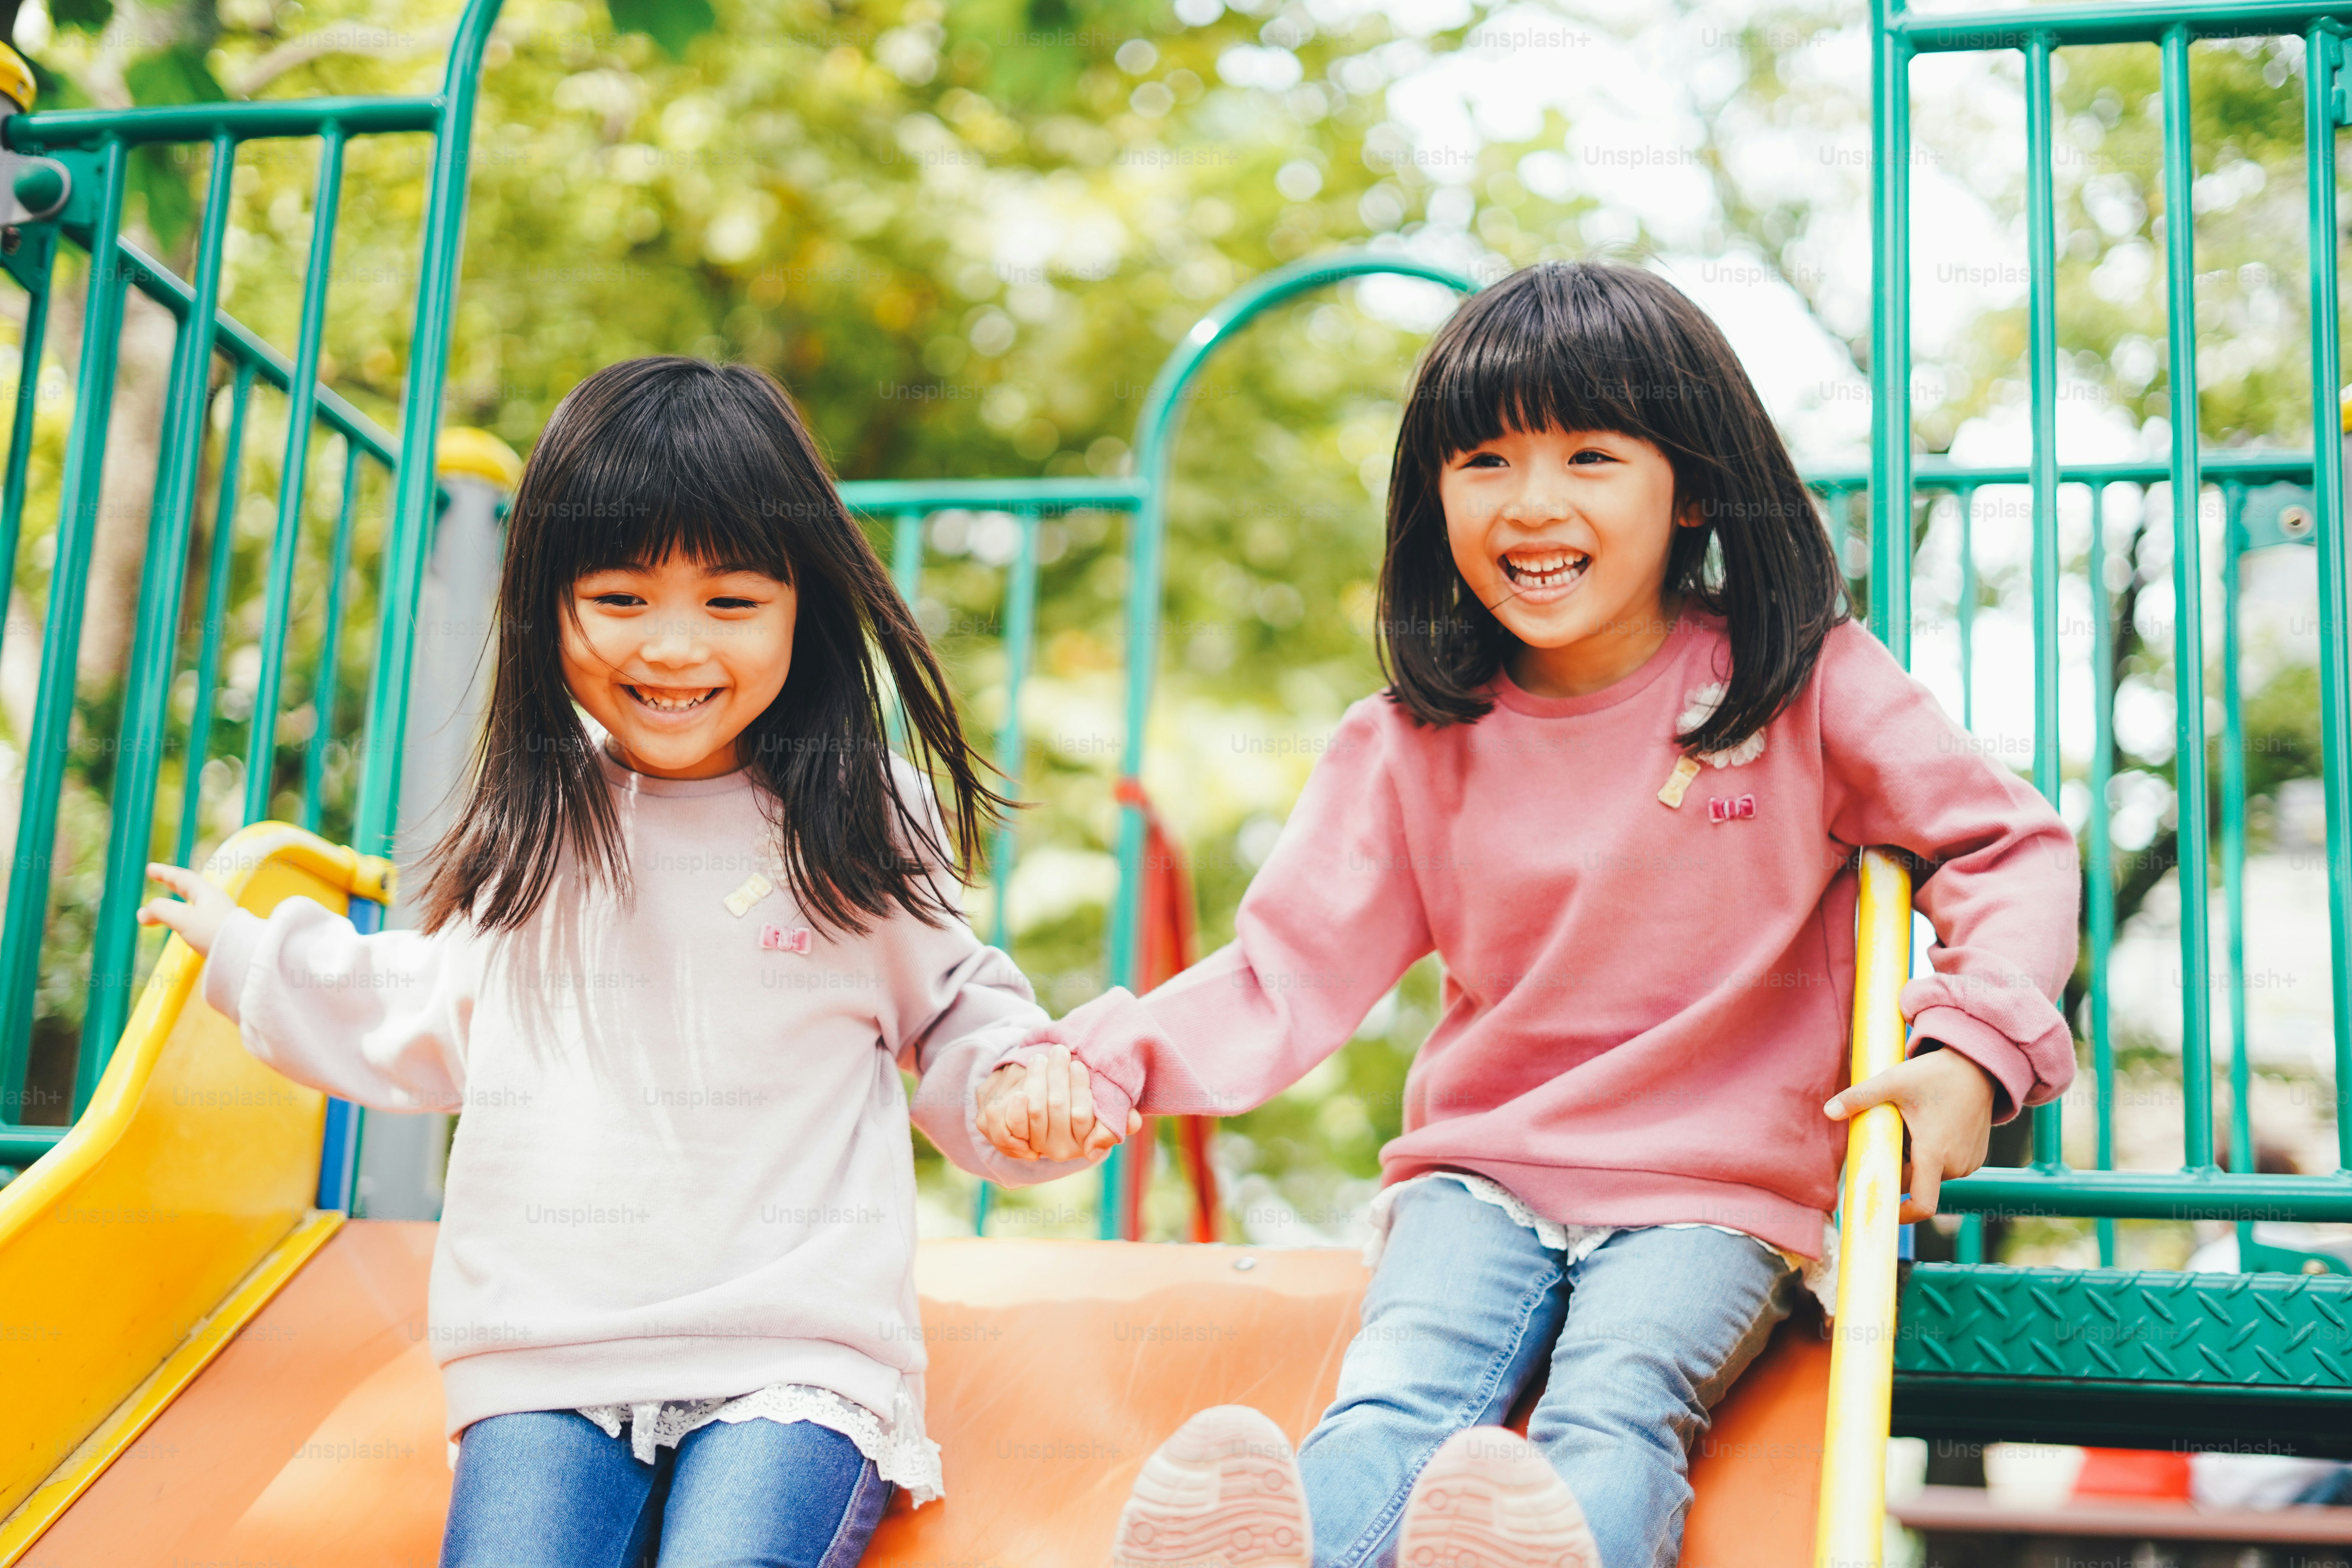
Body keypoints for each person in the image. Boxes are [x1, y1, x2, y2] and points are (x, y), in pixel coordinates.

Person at [980, 261, 2082, 1568]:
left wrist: (1970, 1054)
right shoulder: (1411, 742)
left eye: (1593, 456)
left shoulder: (1801, 687)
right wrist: (1105, 1063)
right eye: (1485, 460)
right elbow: (1284, 973)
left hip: (1710, 1188)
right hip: (1484, 1173)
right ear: (1431, 495)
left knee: (1615, 1402)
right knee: (1395, 1400)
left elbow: (2006, 843)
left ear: (1696, 488)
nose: (1534, 505)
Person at [138, 356, 1131, 1568]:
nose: (672, 648)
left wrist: (1014, 1084)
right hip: (552, 1352)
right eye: (619, 599)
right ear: (546, 605)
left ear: (801, 608)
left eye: (729, 604)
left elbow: (958, 1009)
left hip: (794, 1358)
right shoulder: (539, 830)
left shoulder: (861, 818)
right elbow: (425, 1014)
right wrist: (259, 952)